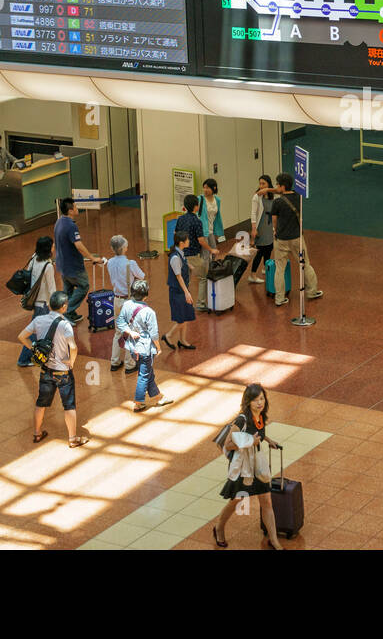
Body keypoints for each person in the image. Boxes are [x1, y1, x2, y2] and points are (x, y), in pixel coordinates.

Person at [212, 383, 284, 550]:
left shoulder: (260, 416)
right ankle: (219, 528)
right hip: (243, 466)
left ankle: (274, 541)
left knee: (266, 501)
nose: (259, 403)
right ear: (247, 402)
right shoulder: (241, 419)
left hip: (257, 463)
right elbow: (229, 444)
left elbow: (258, 433)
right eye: (255, 400)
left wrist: (268, 440)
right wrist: (252, 441)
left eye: (261, 398)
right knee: (238, 499)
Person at [16, 291, 87, 448]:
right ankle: (73, 438)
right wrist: (71, 362)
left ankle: (37, 433)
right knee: (69, 405)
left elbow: (22, 336)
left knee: (41, 403)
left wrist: (33, 347)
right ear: (64, 307)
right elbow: (73, 347)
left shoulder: (39, 320)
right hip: (63, 371)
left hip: (46, 370)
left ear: (49, 305)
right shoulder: (65, 324)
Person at [257, 173, 322, 308]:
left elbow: (274, 220)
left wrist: (276, 231)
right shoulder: (298, 197)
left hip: (281, 239)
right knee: (305, 264)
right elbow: (281, 190)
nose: (275, 187)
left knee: (279, 269)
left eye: (277, 185)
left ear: (282, 186)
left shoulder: (277, 202)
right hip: (297, 238)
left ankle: (279, 298)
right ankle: (312, 291)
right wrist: (268, 190)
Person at [120, 280, 173, 413]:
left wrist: (130, 332)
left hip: (132, 347)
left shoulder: (126, 304)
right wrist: (159, 348)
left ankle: (158, 397)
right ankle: (138, 402)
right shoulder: (149, 312)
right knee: (144, 374)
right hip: (145, 348)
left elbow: (120, 322)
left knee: (147, 372)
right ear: (146, 295)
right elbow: (154, 334)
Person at [53, 198, 104, 324]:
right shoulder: (71, 226)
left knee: (68, 289)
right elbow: (79, 245)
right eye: (75, 207)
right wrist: (93, 258)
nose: (77, 208)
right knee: (84, 285)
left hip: (62, 264)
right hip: (73, 266)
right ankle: (67, 312)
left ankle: (67, 311)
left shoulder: (58, 222)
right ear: (70, 210)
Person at [17, 235, 58, 368]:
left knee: (39, 330)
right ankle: (24, 358)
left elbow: (28, 275)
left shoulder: (34, 258)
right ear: (48, 249)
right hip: (44, 304)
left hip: (35, 301)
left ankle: (45, 354)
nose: (54, 247)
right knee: (34, 332)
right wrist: (56, 306)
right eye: (52, 245)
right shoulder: (48, 266)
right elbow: (52, 289)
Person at [106, 234, 144, 372]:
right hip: (128, 300)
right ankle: (130, 364)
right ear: (124, 248)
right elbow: (142, 276)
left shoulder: (110, 262)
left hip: (116, 299)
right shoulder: (130, 263)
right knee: (131, 331)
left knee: (118, 331)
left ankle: (115, 361)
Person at [175, 193, 219, 312]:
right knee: (203, 277)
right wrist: (211, 249)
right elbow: (201, 240)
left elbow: (176, 234)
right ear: (196, 207)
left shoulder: (180, 219)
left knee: (185, 280)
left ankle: (183, 303)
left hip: (181, 254)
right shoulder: (197, 221)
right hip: (193, 255)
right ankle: (201, 303)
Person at [161, 230, 197, 350]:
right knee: (181, 319)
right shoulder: (175, 257)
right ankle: (168, 336)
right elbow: (178, 276)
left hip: (182, 290)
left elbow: (181, 268)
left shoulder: (180, 253)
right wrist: (187, 292)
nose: (189, 241)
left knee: (185, 316)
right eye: (187, 239)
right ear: (182, 242)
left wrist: (188, 266)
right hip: (177, 292)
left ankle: (182, 341)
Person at [247, 174, 275, 284]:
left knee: (269, 247)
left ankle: (266, 267)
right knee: (260, 250)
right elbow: (253, 213)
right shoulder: (257, 197)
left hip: (269, 226)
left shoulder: (272, 195)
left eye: (264, 183)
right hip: (261, 226)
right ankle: (252, 275)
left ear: (269, 184)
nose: (261, 186)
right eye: (260, 183)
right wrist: (254, 229)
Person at [199, 178, 226, 244]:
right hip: (202, 231)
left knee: (214, 250)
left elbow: (217, 217)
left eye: (207, 188)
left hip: (212, 231)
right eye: (204, 187)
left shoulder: (217, 200)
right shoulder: (200, 199)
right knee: (206, 252)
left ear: (214, 188)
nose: (205, 190)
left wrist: (218, 233)